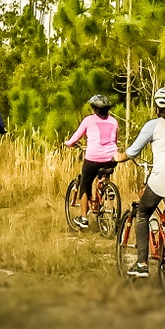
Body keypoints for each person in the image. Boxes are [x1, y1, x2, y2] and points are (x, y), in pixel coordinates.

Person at [114, 87, 165, 277]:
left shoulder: (154, 125)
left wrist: (119, 157)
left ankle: (142, 263)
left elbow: (133, 151)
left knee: (142, 213)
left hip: (162, 178)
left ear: (157, 107)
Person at [63, 94, 119, 229]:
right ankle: (105, 185)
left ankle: (83, 218)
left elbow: (76, 136)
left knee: (85, 183)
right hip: (112, 157)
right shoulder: (114, 121)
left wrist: (68, 143)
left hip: (93, 158)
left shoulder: (88, 120)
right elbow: (114, 140)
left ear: (93, 108)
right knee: (103, 173)